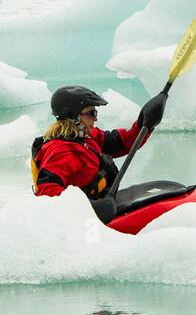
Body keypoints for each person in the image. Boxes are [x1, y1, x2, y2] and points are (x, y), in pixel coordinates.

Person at [32, 85, 167, 223]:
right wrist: (90, 208)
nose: (95, 119)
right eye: (91, 114)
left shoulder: (87, 137)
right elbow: (47, 195)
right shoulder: (61, 151)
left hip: (104, 207)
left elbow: (124, 142)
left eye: (95, 113)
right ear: (73, 116)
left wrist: (145, 123)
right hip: (86, 221)